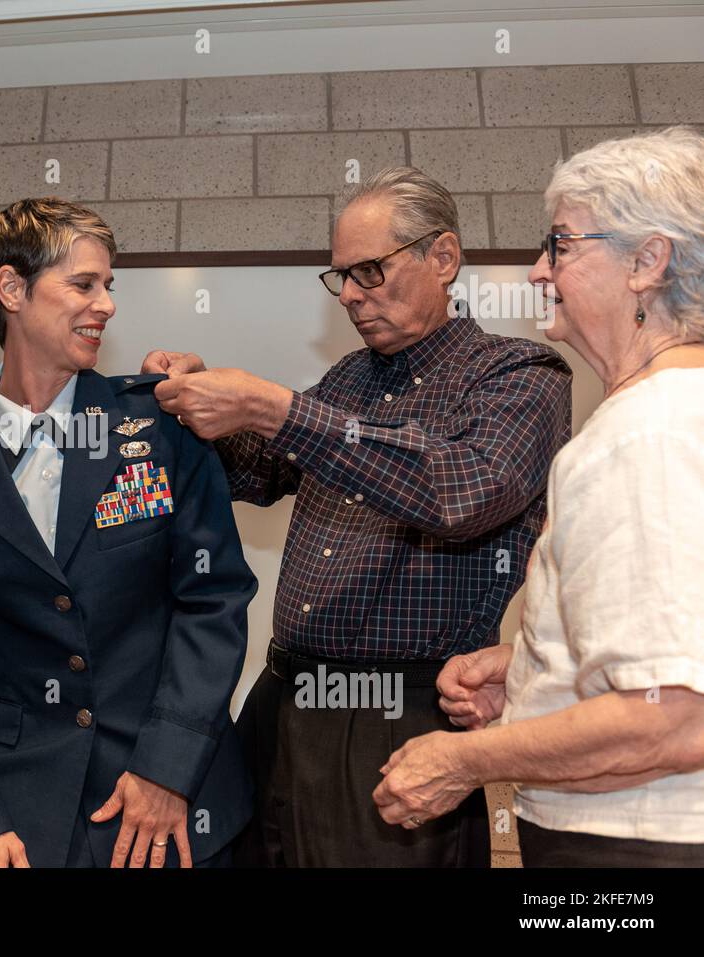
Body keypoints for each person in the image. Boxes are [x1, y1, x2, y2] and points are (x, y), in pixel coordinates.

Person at [143, 167, 572, 866]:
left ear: (443, 258)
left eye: (369, 271)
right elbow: (260, 471)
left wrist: (275, 407)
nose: (349, 294)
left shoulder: (519, 374)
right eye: (339, 276)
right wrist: (200, 409)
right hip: (283, 702)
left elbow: (461, 493)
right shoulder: (350, 377)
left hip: (395, 718)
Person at [0, 198, 258, 868]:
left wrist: (167, 768)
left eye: (109, 286)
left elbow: (215, 600)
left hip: (172, 799)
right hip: (23, 810)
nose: (106, 304)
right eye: (84, 284)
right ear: (12, 289)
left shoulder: (160, 423)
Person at [375, 127, 704, 866]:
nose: (536, 271)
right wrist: (530, 671)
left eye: (561, 244)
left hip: (638, 848)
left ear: (648, 261)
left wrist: (462, 760)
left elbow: (673, 720)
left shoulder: (645, 433)